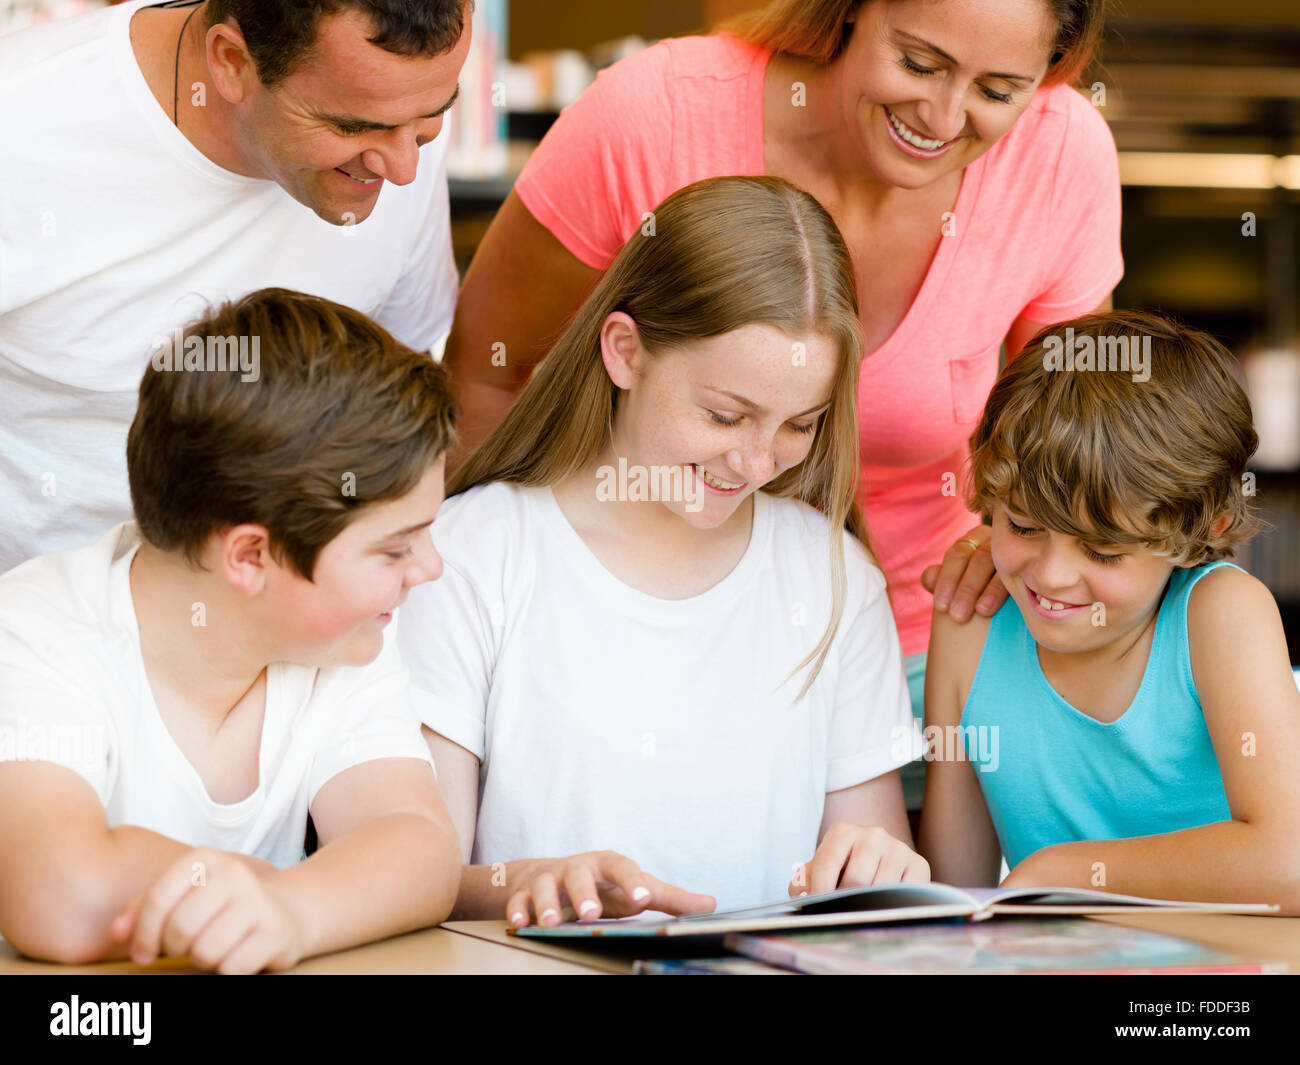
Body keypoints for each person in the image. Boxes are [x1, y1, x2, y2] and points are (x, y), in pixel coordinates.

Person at [440, 0, 1123, 815]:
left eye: (1001, 88)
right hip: (620, 621)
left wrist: (1008, 539)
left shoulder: (1060, 157)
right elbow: (487, 372)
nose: (943, 118)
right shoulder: (654, 117)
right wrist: (489, 603)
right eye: (918, 62)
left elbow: (1074, 435)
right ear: (847, 13)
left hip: (916, 636)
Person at [398, 176, 928, 926]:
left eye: (799, 425)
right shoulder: (473, 553)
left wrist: (881, 868)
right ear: (624, 352)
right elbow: (422, 873)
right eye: (724, 414)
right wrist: (535, 880)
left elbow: (864, 860)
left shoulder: (835, 576)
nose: (755, 461)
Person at [0, 289, 462, 972]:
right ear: (250, 556)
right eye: (394, 549)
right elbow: (62, 895)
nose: (432, 568)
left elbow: (420, 849)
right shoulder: (36, 631)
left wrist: (291, 912)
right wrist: (291, 889)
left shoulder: (346, 641)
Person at [0, 0, 471, 572]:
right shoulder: (19, 123)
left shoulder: (397, 111)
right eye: (354, 126)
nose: (403, 169)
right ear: (230, 61)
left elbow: (402, 388)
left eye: (431, 117)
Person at [918, 311, 1300, 914]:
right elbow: (952, 899)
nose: (1051, 575)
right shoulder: (974, 615)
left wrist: (1061, 872)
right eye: (1023, 525)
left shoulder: (1222, 612)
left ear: (1203, 529)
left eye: (1103, 550)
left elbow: (1290, 865)